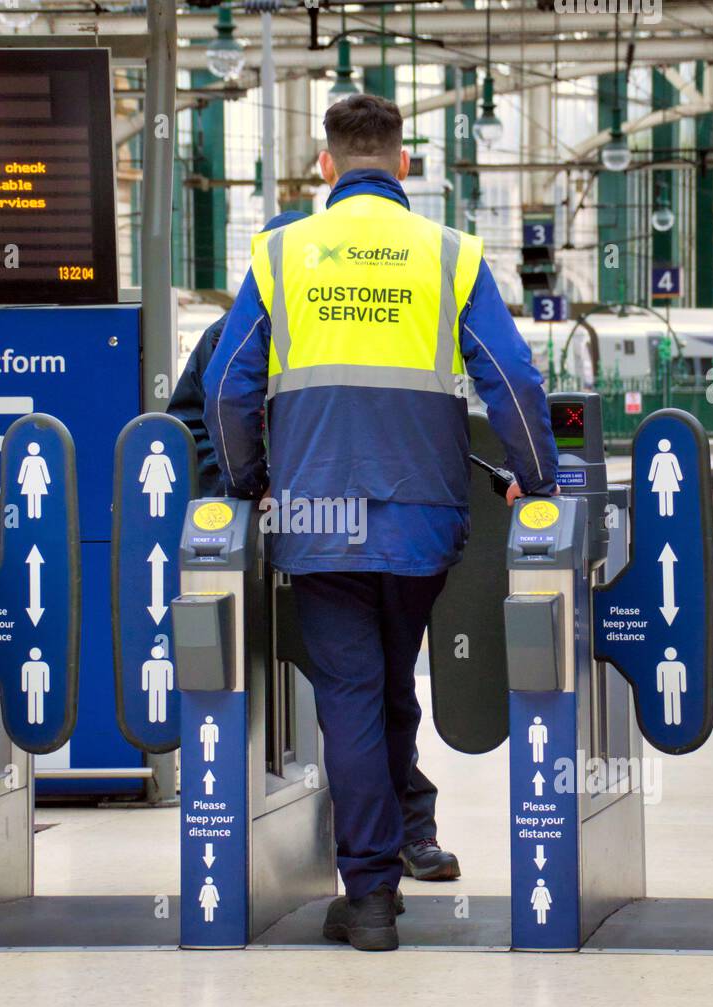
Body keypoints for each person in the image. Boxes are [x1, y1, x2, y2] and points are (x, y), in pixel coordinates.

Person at [202, 93, 556, 951]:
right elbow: (512, 379)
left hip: (315, 517)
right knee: (395, 684)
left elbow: (224, 389)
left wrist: (249, 481)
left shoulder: (282, 253)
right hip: (423, 519)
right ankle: (399, 842)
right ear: (403, 164)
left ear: (325, 165)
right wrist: (536, 478)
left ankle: (369, 897)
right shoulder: (449, 254)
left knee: (351, 696)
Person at [170, 209, 462, 885]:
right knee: (360, 693)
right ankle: (380, 847)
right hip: (275, 539)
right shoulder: (229, 334)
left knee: (378, 692)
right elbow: (194, 418)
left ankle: (398, 839)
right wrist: (243, 488)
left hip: (338, 532)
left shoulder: (353, 327)